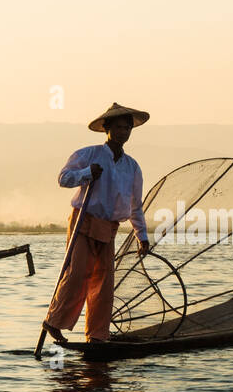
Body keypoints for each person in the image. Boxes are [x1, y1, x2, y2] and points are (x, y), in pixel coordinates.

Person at [42, 103, 151, 343]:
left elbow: (135, 205)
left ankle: (97, 335)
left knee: (103, 283)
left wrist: (142, 236)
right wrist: (87, 173)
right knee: (77, 273)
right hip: (84, 221)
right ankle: (54, 321)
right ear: (107, 129)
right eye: (119, 127)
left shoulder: (132, 166)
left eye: (127, 128)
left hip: (109, 227)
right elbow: (63, 178)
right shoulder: (89, 154)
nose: (124, 132)